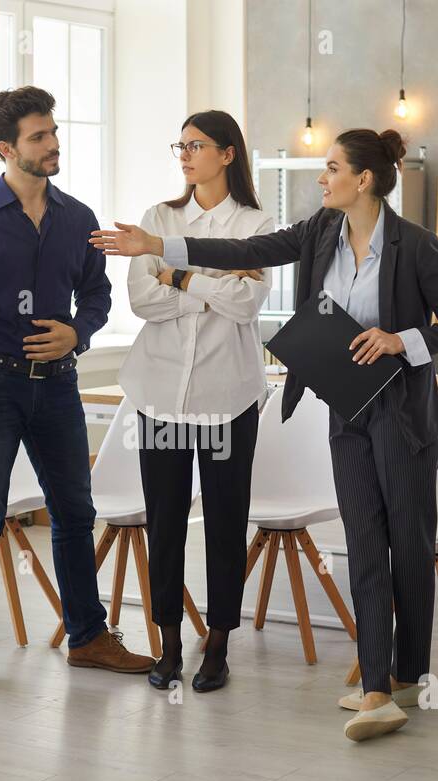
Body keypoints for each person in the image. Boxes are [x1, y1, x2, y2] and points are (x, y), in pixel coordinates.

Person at [92, 127, 438, 741]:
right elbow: (251, 250)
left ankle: (406, 674)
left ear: (364, 181)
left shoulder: (416, 246)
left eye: (331, 169)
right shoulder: (319, 232)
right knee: (364, 542)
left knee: (408, 544)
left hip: (403, 413)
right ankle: (377, 684)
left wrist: (399, 340)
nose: (321, 179)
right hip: (345, 409)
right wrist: (156, 244)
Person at [0, 85, 156, 697]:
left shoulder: (78, 219)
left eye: (53, 132)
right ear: (6, 148)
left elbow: (99, 296)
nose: (53, 143)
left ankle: (87, 637)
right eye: (38, 136)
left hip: (59, 387)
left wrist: (76, 334)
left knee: (74, 514)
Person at [120, 110, 274, 694]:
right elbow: (140, 298)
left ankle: (219, 645)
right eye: (179, 145)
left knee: (226, 522)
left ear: (227, 153)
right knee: (164, 523)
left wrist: (180, 278)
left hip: (227, 397)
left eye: (196, 145)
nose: (184, 155)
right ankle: (169, 643)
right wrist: (210, 287)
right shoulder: (158, 218)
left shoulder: (255, 222)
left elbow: (247, 305)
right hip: (159, 395)